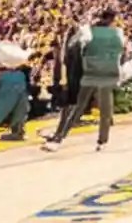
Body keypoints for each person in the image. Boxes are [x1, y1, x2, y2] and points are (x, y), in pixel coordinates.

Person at [42, 9, 125, 152]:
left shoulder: (91, 31)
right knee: (99, 109)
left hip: (92, 72)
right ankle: (100, 141)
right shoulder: (111, 33)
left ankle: (60, 138)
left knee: (81, 108)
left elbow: (72, 48)